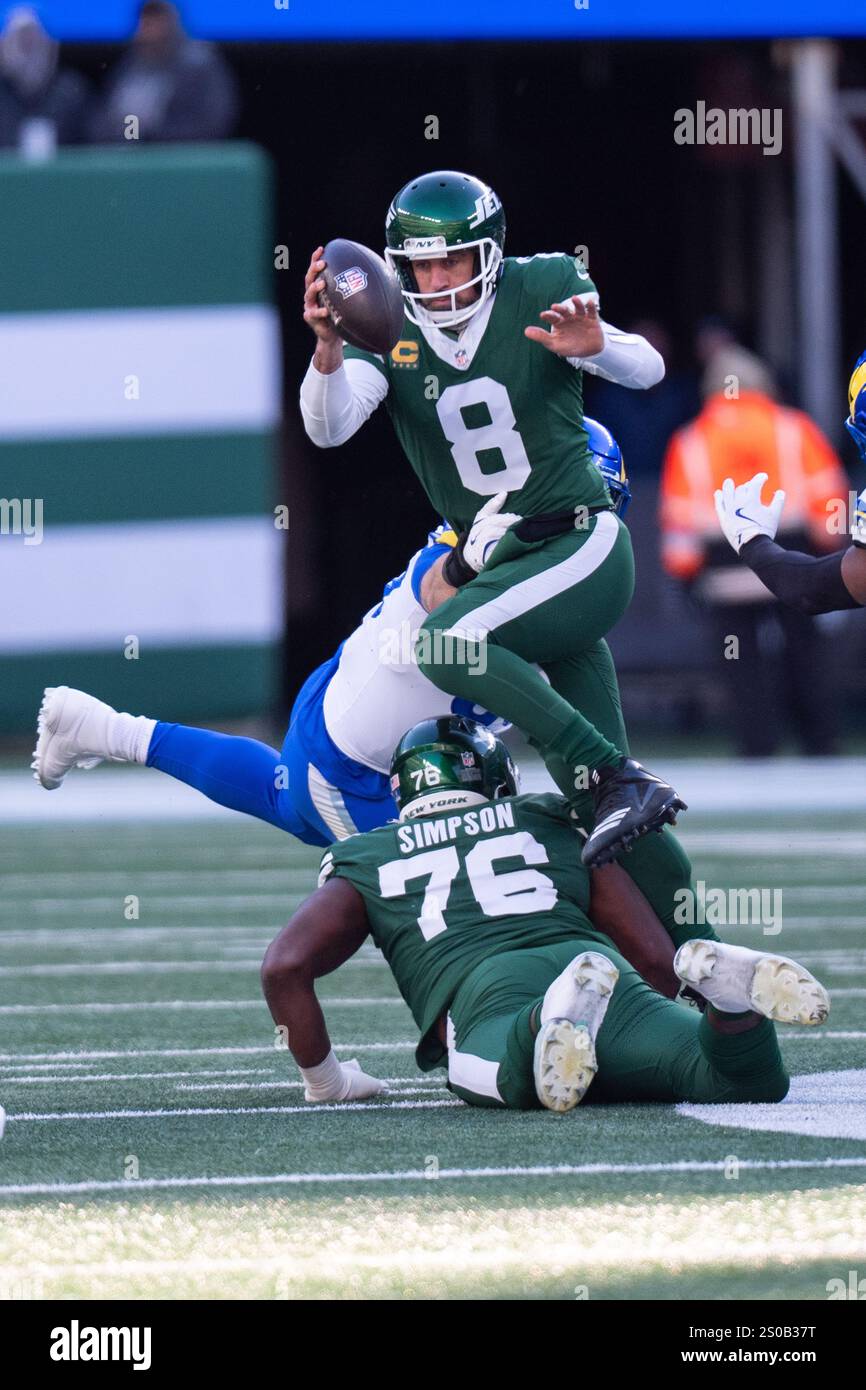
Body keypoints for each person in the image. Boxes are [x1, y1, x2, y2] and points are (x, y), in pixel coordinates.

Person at [301, 169, 685, 869]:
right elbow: (328, 429)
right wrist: (328, 350)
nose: (437, 277)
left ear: (490, 253)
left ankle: (613, 778)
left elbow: (652, 368)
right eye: (420, 262)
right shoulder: (388, 330)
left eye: (452, 258)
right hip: (507, 565)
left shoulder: (540, 286)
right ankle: (700, 954)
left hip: (575, 536)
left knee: (447, 643)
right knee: (606, 829)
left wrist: (597, 345)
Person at [32, 422, 629, 847]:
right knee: (447, 890)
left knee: (283, 799)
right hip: (353, 761)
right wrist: (475, 561)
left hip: (353, 713)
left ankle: (104, 728)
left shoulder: (562, 595)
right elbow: (438, 586)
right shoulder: (463, 552)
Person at [261, 716, 829, 1112]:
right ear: (497, 779)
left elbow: (284, 966)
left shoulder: (369, 852)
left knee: (507, 1077)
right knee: (740, 1082)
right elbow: (656, 960)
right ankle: (730, 1002)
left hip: (488, 994)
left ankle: (547, 1021)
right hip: (604, 972)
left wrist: (327, 1081)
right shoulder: (545, 816)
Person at [659, 343, 850, 757]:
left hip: (726, 572)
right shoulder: (793, 428)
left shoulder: (691, 441)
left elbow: (679, 522)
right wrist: (831, 557)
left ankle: (757, 747)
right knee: (806, 655)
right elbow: (829, 499)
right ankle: (821, 745)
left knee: (740, 661)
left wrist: (687, 573)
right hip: (795, 565)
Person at [714, 351, 866, 613]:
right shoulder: (793, 427)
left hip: (722, 576)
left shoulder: (693, 437)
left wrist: (753, 542)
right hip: (802, 547)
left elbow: (814, 591)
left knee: (739, 651)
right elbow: (828, 511)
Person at [87, 1, 238, 144]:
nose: (149, 32)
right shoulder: (130, 67)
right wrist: (123, 137)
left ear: (171, 24)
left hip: (180, 158)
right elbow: (104, 117)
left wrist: (150, 136)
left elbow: (211, 123)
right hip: (128, 158)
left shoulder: (199, 66)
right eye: (146, 24)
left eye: (156, 23)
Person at [0, 6, 89, 150]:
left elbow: (93, 149)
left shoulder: (72, 93)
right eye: (21, 40)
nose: (27, 49)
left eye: (32, 39)